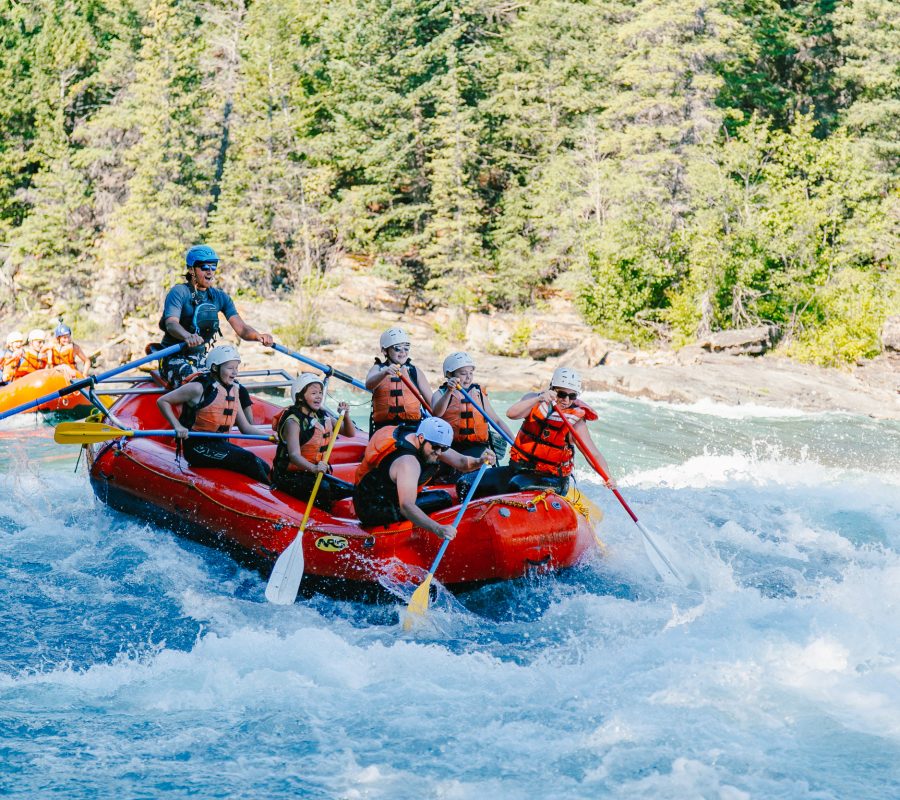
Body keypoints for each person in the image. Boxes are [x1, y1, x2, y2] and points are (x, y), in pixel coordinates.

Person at [457, 367, 614, 499]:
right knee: (465, 483)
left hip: (552, 479)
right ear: (552, 389)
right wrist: (539, 398)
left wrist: (607, 476)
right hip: (517, 469)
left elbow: (592, 453)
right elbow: (512, 413)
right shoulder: (534, 400)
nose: (566, 400)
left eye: (572, 396)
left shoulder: (576, 423)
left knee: (517, 484)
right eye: (561, 394)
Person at [353, 416, 495, 536]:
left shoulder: (428, 441)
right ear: (421, 438)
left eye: (443, 448)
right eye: (435, 448)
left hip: (382, 493)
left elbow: (463, 463)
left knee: (441, 495)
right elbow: (406, 506)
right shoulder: (408, 463)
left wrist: (480, 461)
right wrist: (438, 529)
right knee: (443, 499)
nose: (439, 452)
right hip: (374, 507)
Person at [157, 244, 274, 386]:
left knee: (234, 388)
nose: (210, 272)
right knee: (202, 386)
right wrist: (187, 336)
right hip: (172, 358)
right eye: (204, 268)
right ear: (191, 270)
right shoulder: (179, 292)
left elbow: (242, 328)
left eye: (213, 267)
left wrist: (258, 336)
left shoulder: (219, 297)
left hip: (200, 358)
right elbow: (171, 324)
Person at [156, 344, 271, 484]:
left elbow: (245, 428)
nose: (235, 373)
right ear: (215, 368)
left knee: (262, 464)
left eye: (236, 368)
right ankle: (273, 495)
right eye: (230, 368)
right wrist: (177, 426)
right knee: (247, 460)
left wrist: (272, 437)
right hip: (196, 448)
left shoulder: (233, 390)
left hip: (220, 444)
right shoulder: (198, 388)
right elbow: (163, 401)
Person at [270, 373, 356, 510]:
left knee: (351, 490)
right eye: (313, 393)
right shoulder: (293, 422)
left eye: (320, 393)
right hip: (289, 476)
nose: (319, 396)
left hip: (313, 474)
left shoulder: (321, 416)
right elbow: (294, 455)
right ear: (300, 397)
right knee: (324, 489)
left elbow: (350, 432)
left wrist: (345, 415)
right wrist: (314, 468)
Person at [431, 351, 514, 480]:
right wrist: (449, 392)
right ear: (449, 374)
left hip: (476, 446)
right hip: (449, 447)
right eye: (463, 374)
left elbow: (496, 421)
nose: (468, 377)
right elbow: (437, 413)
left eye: (471, 373)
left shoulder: (478, 393)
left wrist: (514, 442)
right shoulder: (441, 393)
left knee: (474, 465)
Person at [365, 327, 433, 434]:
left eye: (406, 348)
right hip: (383, 430)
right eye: (397, 348)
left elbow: (432, 403)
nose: (403, 352)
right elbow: (369, 385)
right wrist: (384, 373)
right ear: (384, 350)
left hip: (412, 429)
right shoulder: (378, 369)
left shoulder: (414, 372)